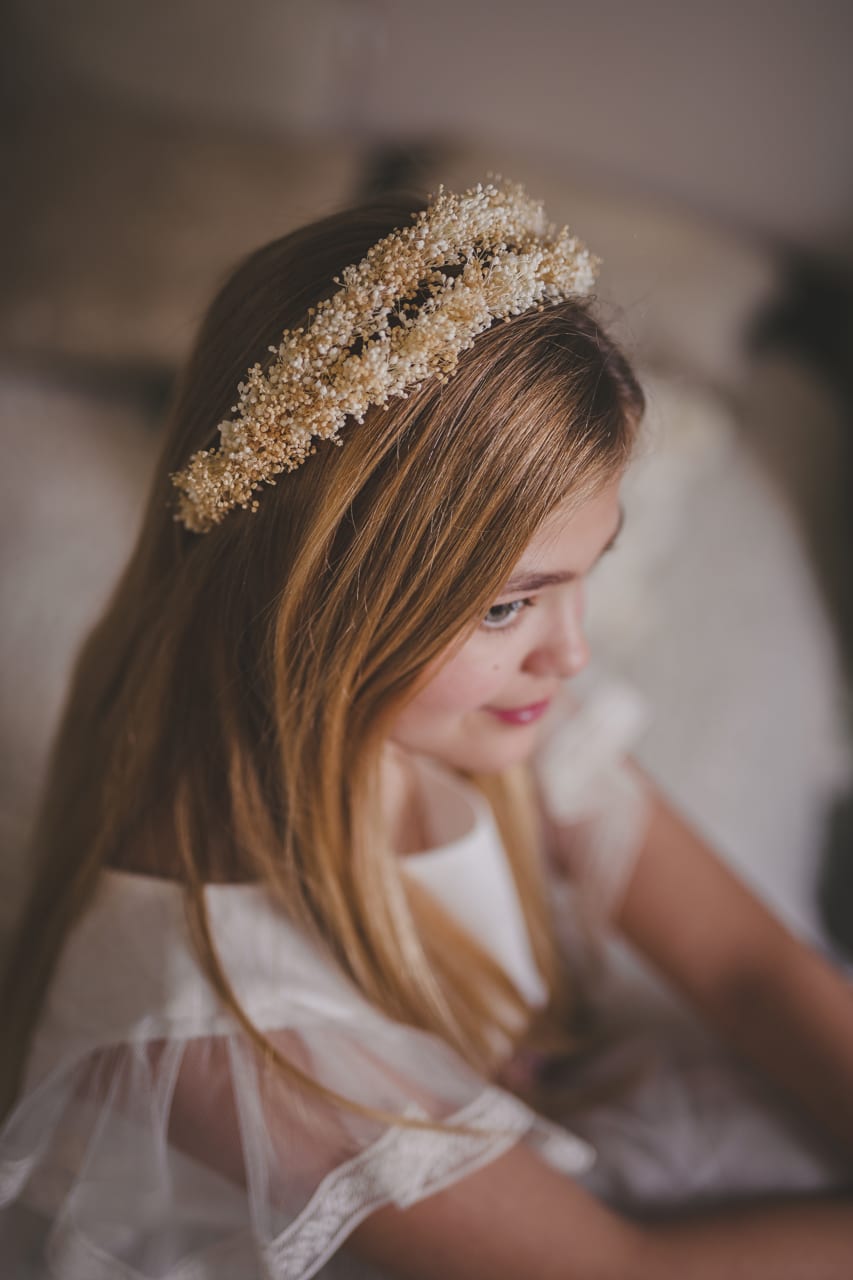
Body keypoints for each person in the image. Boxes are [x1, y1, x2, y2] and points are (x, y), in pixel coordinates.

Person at [0, 180, 852, 1279]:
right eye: (507, 604)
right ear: (321, 599)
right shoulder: (220, 1020)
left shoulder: (499, 721)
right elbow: (614, 1269)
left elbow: (743, 965)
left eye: (585, 577)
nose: (571, 654)